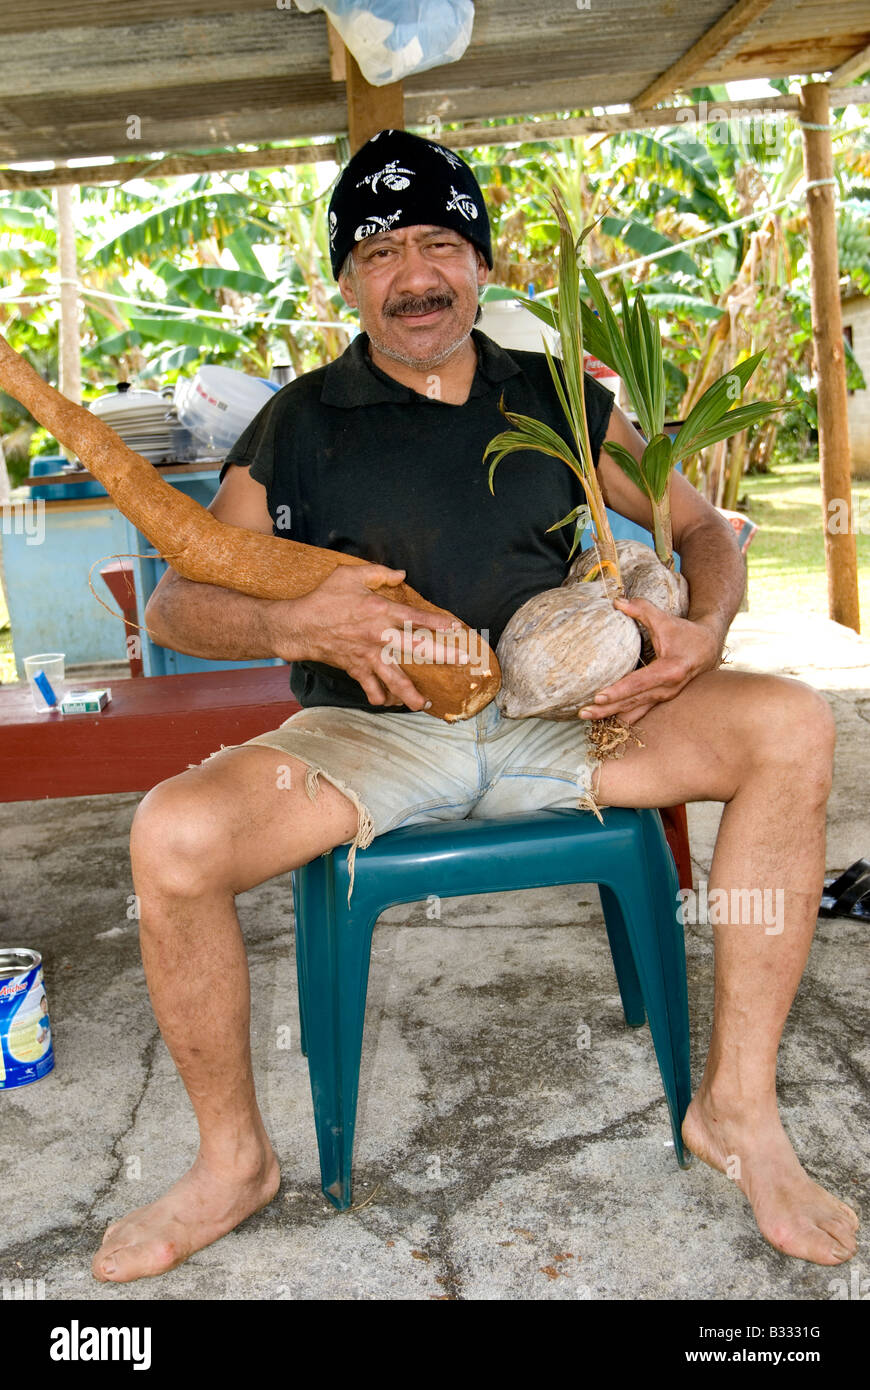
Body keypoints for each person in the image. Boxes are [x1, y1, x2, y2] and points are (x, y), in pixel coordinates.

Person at [91, 130, 858, 1283]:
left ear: (483, 265)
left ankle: (738, 1113)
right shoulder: (298, 422)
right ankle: (232, 1159)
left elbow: (699, 528)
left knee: (793, 724)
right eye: (385, 250)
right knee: (174, 833)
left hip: (573, 713)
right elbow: (180, 609)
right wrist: (293, 626)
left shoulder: (556, 395)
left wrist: (706, 629)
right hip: (368, 734)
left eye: (441, 242)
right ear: (347, 279)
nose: (416, 275)